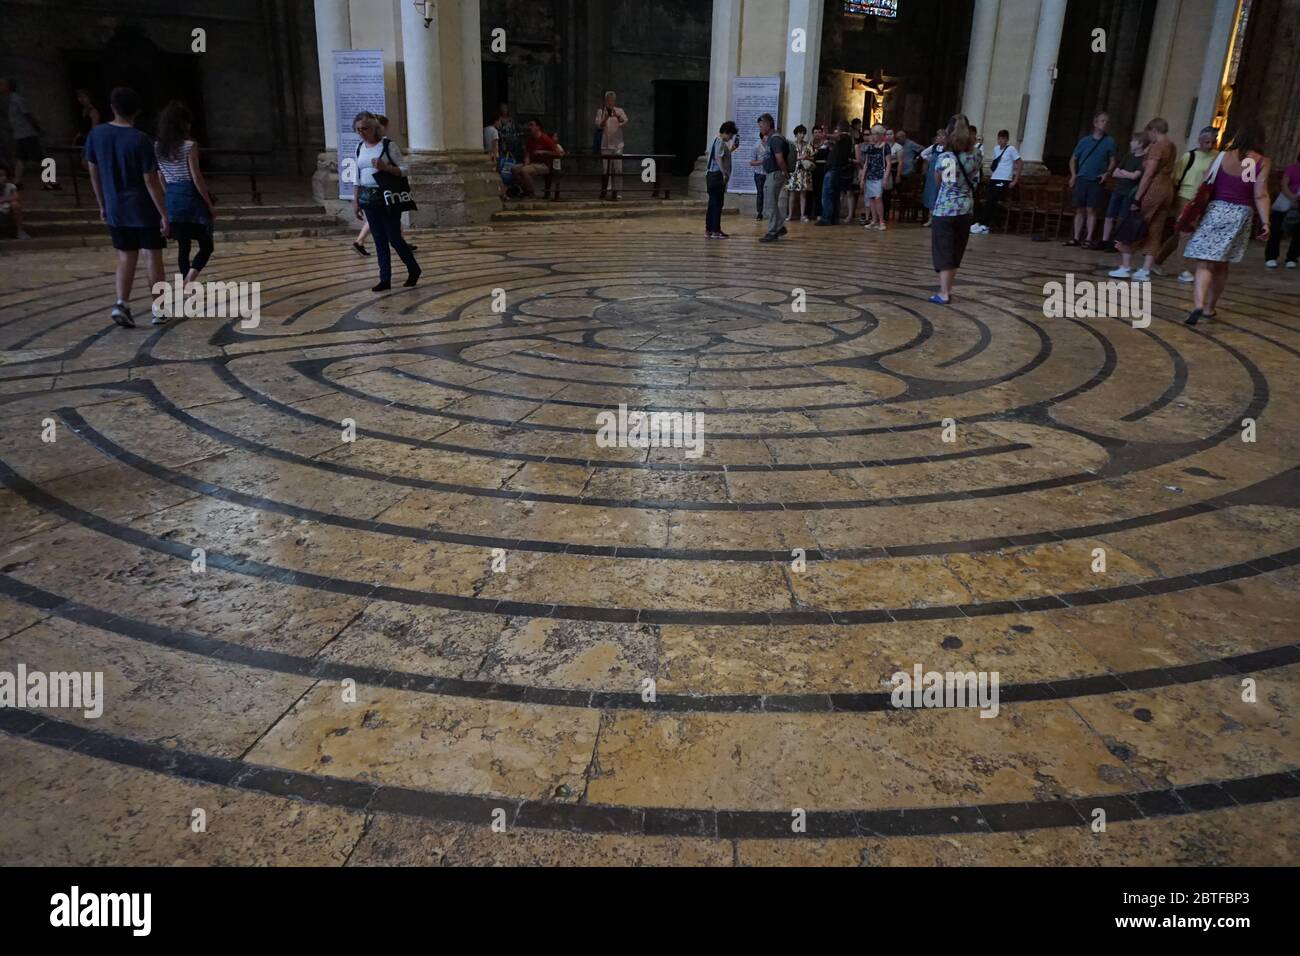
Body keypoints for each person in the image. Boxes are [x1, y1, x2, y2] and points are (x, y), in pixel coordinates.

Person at [83, 86, 170, 328]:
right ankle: (159, 309)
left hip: (115, 208)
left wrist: (102, 204)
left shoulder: (97, 135)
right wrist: (164, 212)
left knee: (125, 256)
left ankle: (122, 302)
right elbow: (150, 180)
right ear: (138, 111)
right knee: (152, 256)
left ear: (112, 107)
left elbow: (93, 171)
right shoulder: (140, 139)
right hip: (142, 208)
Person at [1184, 126, 1272, 326]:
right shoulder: (1260, 161)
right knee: (1222, 264)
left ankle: (1198, 304)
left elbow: (1205, 181)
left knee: (1205, 261)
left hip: (1215, 210)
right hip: (1240, 214)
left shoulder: (1222, 156)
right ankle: (1209, 307)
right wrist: (1266, 222)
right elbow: (1260, 193)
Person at [350, 111, 421, 293]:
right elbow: (358, 177)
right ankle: (385, 279)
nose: (361, 133)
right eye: (358, 129)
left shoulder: (388, 146)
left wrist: (385, 168)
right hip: (368, 198)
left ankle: (413, 268)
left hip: (387, 197)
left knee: (394, 238)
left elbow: (405, 170)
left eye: (364, 128)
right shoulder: (359, 147)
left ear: (374, 128)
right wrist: (356, 201)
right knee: (379, 240)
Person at [154, 100, 216, 289]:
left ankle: (185, 283)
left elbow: (160, 176)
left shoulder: (158, 147)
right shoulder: (189, 146)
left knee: (184, 245)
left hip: (173, 198)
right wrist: (209, 204)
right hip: (191, 198)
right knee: (206, 246)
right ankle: (189, 281)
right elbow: (196, 177)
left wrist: (170, 195)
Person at [1110, 118, 1175, 283]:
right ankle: (1145, 270)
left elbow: (1148, 174)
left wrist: (1137, 198)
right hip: (1167, 190)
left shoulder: (1157, 147)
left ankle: (1125, 267)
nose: (1148, 138)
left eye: (1149, 133)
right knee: (1155, 229)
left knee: (1133, 223)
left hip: (1153, 190)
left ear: (1154, 130)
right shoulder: (1172, 146)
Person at [929, 114, 980, 304]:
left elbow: (938, 181)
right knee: (956, 250)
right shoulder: (976, 155)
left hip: (944, 210)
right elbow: (975, 174)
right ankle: (948, 289)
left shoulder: (944, 157)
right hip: (965, 209)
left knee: (943, 250)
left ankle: (943, 293)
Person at [1156, 127, 1219, 280]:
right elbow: (1176, 177)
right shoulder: (1189, 156)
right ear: (1199, 140)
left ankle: (1157, 261)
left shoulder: (1218, 157)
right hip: (1187, 197)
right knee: (1185, 233)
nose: (1209, 145)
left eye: (1212, 142)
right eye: (1206, 142)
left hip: (1207, 199)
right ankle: (1183, 269)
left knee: (1179, 235)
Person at [1066, 111, 1118, 248]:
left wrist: (1107, 173)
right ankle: (1076, 237)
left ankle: (1088, 238)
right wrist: (1073, 175)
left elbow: (1113, 160)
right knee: (1079, 209)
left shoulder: (1109, 142)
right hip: (1082, 177)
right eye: (1102, 121)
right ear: (1095, 123)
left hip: (1096, 179)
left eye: (1107, 121)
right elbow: (1073, 159)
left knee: (1091, 209)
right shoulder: (1084, 141)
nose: (1105, 124)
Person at [1, 78, 51, 189]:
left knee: (41, 158)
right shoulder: (10, 100)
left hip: (28, 134)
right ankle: (17, 182)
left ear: (8, 87)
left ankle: (49, 181)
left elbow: (28, 115)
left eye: (2, 85)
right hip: (20, 135)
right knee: (21, 158)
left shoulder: (17, 99)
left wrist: (37, 129)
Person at [1100, 134, 1146, 250]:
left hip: (1129, 192)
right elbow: (1115, 172)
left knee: (1122, 217)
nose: (1131, 143)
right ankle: (1104, 241)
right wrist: (1126, 173)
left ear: (1140, 144)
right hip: (1118, 189)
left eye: (1133, 141)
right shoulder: (1128, 156)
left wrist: (1123, 172)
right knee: (1109, 215)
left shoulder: (1144, 160)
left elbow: (1135, 176)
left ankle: (1116, 242)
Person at [972, 130, 1021, 234]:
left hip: (1005, 179)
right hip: (994, 177)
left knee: (992, 199)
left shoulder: (1011, 149)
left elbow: (1020, 163)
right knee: (988, 199)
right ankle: (983, 224)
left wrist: (1015, 180)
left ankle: (983, 223)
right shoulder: (995, 149)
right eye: (999, 138)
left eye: (1003, 139)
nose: (1000, 141)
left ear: (1007, 140)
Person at [1265, 149, 1300, 269]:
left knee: (1298, 233)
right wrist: (1292, 197)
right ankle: (1271, 256)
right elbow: (1284, 184)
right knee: (1276, 229)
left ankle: (1292, 258)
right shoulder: (1292, 168)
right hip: (1286, 200)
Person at [514, 118, 564, 198]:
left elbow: (558, 153)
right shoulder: (530, 140)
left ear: (538, 127)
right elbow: (527, 154)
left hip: (544, 165)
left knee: (524, 171)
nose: (529, 127)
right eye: (529, 125)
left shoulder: (545, 138)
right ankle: (525, 190)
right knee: (515, 169)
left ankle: (531, 192)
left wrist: (544, 152)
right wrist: (526, 161)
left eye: (532, 125)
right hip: (533, 163)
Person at [757, 114, 789, 243]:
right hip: (772, 174)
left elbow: (780, 159)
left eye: (761, 125)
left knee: (770, 203)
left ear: (767, 124)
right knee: (770, 202)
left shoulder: (775, 139)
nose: (760, 128)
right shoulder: (771, 138)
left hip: (775, 174)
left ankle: (772, 232)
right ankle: (779, 227)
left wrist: (785, 172)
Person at [704, 120, 737, 239]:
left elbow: (721, 155)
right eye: (731, 135)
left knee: (712, 203)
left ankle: (708, 229)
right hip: (716, 176)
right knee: (717, 203)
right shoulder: (720, 141)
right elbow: (718, 158)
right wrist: (723, 173)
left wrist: (731, 149)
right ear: (726, 132)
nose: (731, 138)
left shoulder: (714, 139)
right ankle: (716, 230)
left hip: (710, 175)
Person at [816, 121, 852, 226]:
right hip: (837, 169)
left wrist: (826, 135)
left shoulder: (845, 136)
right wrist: (829, 143)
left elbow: (837, 137)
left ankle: (826, 218)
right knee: (834, 194)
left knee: (827, 194)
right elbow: (836, 148)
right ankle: (833, 217)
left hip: (834, 169)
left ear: (840, 128)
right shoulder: (845, 141)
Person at [595, 91, 628, 201]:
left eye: (611, 100)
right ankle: (606, 190)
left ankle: (618, 191)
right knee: (606, 170)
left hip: (618, 144)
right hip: (605, 145)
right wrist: (606, 117)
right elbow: (599, 126)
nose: (609, 102)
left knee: (618, 169)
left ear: (614, 101)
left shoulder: (620, 111)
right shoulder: (601, 111)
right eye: (608, 100)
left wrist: (616, 115)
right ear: (605, 101)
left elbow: (624, 121)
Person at [861, 124, 889, 231]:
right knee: (871, 198)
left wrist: (886, 177)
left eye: (876, 134)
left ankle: (881, 221)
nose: (873, 136)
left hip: (879, 175)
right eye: (872, 134)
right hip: (870, 175)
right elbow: (866, 163)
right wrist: (863, 177)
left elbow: (888, 163)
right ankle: (873, 220)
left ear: (880, 135)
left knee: (878, 198)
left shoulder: (885, 146)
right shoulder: (870, 147)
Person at [919, 127, 947, 226]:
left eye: (942, 135)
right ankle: (930, 218)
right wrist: (929, 159)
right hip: (932, 174)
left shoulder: (947, 148)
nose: (940, 138)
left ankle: (938, 219)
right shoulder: (934, 147)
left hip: (942, 174)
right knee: (931, 195)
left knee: (939, 195)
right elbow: (923, 153)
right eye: (938, 136)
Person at [787, 125, 813, 222]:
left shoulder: (808, 145)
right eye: (800, 133)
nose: (802, 135)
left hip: (804, 172)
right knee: (792, 194)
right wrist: (800, 158)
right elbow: (789, 158)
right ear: (796, 134)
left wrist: (806, 157)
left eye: (803, 133)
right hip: (794, 171)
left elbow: (812, 157)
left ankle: (802, 215)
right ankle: (790, 215)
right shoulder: (792, 145)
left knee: (803, 194)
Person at [0, 165, 28, 239]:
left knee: (16, 204)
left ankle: (20, 231)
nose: (2, 178)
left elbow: (16, 197)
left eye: (3, 175)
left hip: (7, 209)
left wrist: (4, 200)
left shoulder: (10, 186)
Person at [749, 128, 768, 220]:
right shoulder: (756, 146)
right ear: (762, 137)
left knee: (770, 192)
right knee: (760, 192)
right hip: (759, 173)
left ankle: (770, 211)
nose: (768, 137)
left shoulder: (771, 145)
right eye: (766, 136)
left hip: (769, 173)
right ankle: (759, 213)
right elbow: (752, 162)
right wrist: (762, 162)